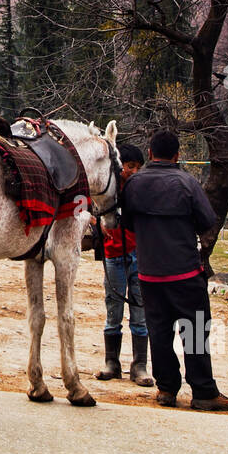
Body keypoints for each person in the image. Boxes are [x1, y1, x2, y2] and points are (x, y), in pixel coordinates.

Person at [122, 129, 228, 412]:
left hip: (149, 273)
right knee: (194, 331)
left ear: (149, 153)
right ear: (177, 156)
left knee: (159, 332)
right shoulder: (186, 183)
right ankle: (203, 391)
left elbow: (128, 224)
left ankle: (167, 388)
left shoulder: (134, 184)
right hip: (184, 272)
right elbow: (207, 220)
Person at [96, 143, 152, 386]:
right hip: (113, 254)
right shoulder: (107, 192)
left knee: (140, 312)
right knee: (113, 308)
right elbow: (90, 209)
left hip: (139, 255)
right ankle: (112, 363)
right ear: (119, 168)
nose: (134, 172)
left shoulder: (143, 191)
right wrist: (97, 222)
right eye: (130, 167)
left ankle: (139, 365)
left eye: (138, 168)